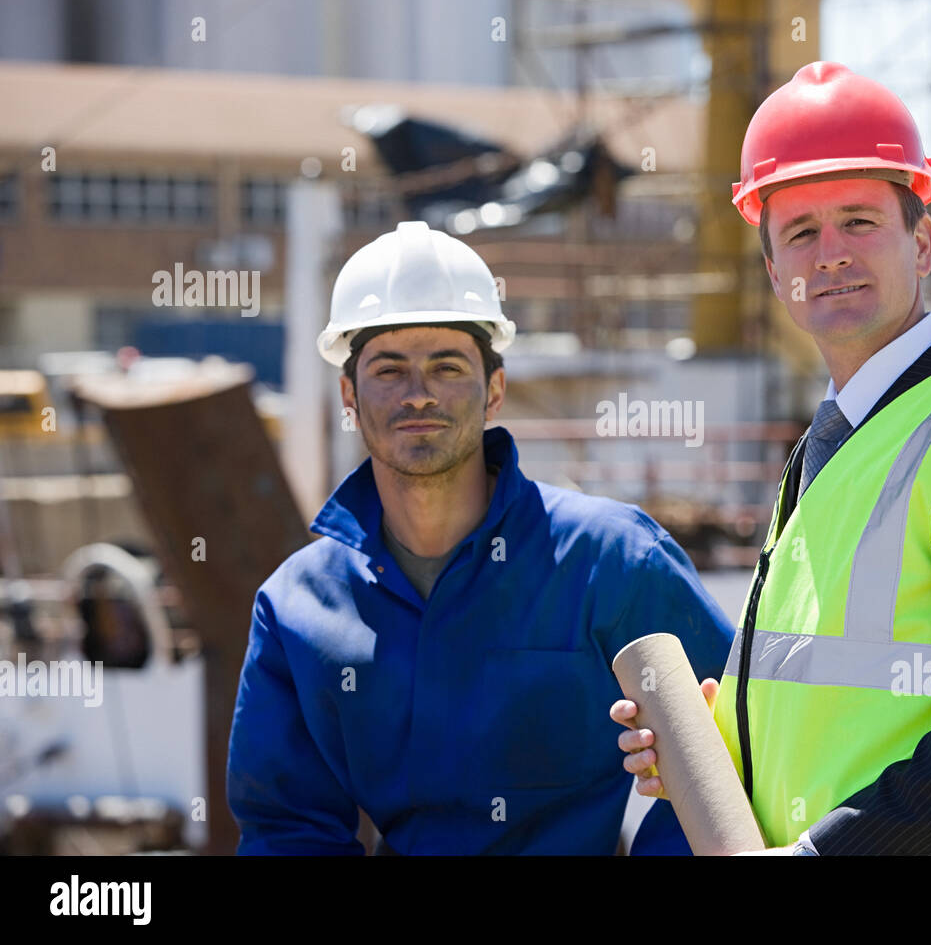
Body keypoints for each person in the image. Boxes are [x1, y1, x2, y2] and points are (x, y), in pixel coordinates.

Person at [613, 62, 931, 855]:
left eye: (859, 221)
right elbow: (837, 694)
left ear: (923, 239)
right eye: (800, 232)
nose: (829, 254)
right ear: (774, 271)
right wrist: (713, 744)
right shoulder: (829, 443)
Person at [227, 221, 733, 854]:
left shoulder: (612, 561)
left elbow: (730, 745)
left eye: (447, 367)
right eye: (389, 370)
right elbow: (286, 827)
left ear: (493, 391)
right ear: (348, 395)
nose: (418, 395)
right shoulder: (298, 607)